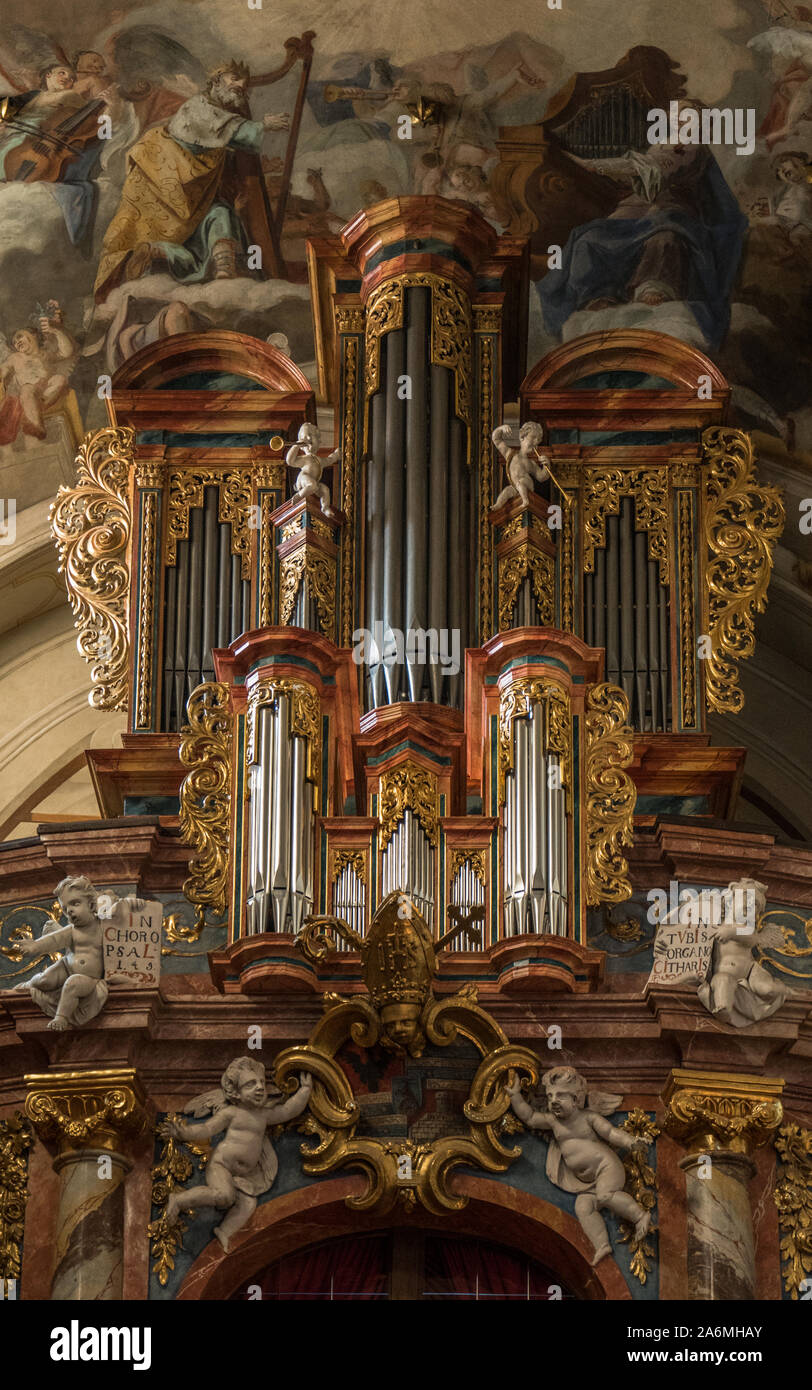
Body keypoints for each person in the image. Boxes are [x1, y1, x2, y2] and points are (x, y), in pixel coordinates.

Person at [94, 59, 289, 301]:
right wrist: (262, 126)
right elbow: (221, 133)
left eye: (244, 83)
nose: (240, 85)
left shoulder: (219, 117)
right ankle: (155, 252)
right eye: (234, 79)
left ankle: (222, 271)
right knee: (161, 230)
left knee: (220, 215)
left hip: (193, 195)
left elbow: (213, 151)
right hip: (166, 181)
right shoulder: (199, 106)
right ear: (216, 81)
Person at [160, 1058, 312, 1251]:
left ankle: (224, 1232)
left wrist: (305, 1090)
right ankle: (178, 1200)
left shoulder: (264, 1115)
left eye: (262, 1083)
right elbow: (207, 1128)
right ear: (236, 1093)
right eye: (250, 1084)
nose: (259, 1087)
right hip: (221, 1166)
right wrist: (183, 1133)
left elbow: (288, 1110)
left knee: (247, 1204)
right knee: (224, 1196)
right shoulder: (232, 1113)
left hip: (245, 1176)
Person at [507, 1065, 650, 1265]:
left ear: (576, 1099)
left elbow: (610, 1133)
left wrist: (630, 1142)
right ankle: (602, 1244)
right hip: (586, 1182)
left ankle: (640, 1216)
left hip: (606, 1168)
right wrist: (515, 1096)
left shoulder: (588, 1117)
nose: (554, 1101)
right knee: (583, 1207)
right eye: (550, 1096)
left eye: (561, 1096)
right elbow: (529, 1117)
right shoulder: (552, 1121)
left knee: (605, 1195)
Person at [11, 875, 108, 1030]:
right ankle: (31, 983)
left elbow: (123, 914)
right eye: (65, 908)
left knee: (73, 983)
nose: (69, 911)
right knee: (44, 981)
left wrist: (133, 905)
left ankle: (61, 1017)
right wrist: (34, 946)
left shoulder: (104, 927)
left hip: (89, 978)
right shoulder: (71, 930)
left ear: (91, 905)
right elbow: (53, 941)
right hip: (65, 967)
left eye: (75, 903)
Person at [492, 420, 549, 508]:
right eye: (533, 437)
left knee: (520, 483)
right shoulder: (509, 453)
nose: (535, 442)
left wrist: (547, 466)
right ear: (522, 437)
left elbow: (541, 477)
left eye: (537, 441)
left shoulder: (531, 463)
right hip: (515, 487)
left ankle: (525, 500)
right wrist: (501, 429)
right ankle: (498, 505)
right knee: (506, 491)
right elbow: (496, 440)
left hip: (527, 484)